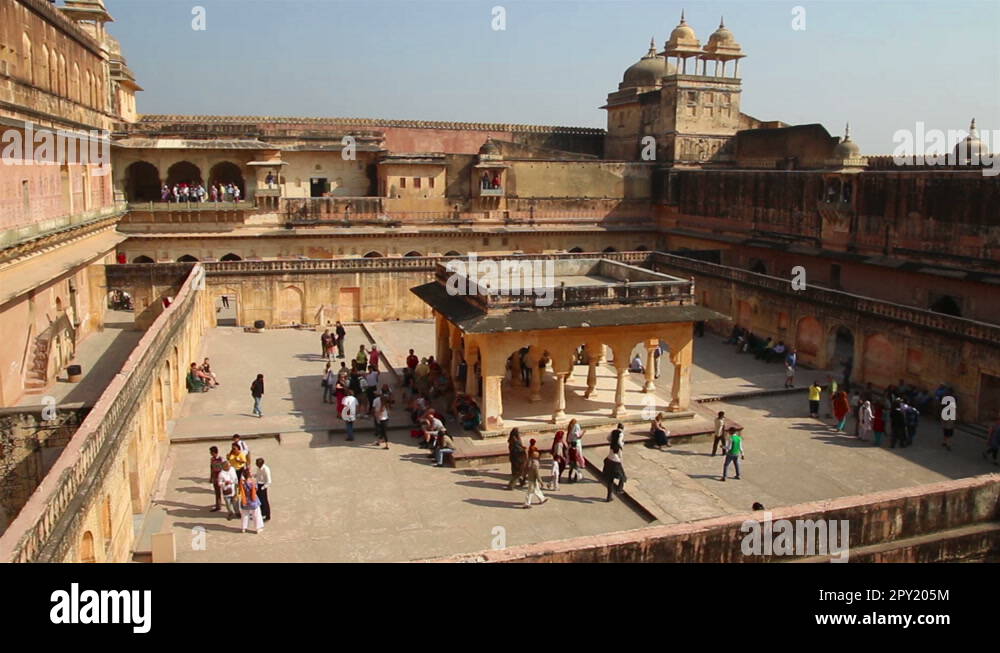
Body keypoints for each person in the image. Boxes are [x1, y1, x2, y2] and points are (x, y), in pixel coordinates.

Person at [523, 439, 547, 508]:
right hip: (532, 479)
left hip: (531, 478)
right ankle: (527, 503)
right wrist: (541, 481)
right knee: (530, 491)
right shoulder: (535, 464)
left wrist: (524, 475)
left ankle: (542, 498)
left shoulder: (530, 461)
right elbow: (537, 474)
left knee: (536, 489)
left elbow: (526, 469)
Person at [238, 468, 264, 534]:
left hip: (245, 499)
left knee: (244, 514)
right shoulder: (252, 481)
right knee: (256, 514)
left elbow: (240, 490)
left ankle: (243, 527)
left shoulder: (242, 482)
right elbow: (256, 489)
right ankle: (258, 528)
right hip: (253, 500)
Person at [208, 446, 224, 512]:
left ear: (214, 452)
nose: (210, 453)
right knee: (217, 492)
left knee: (226, 492)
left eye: (211, 452)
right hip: (215, 477)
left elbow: (225, 467)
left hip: (221, 477)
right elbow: (211, 468)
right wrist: (211, 477)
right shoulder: (212, 459)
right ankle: (218, 505)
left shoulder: (221, 459)